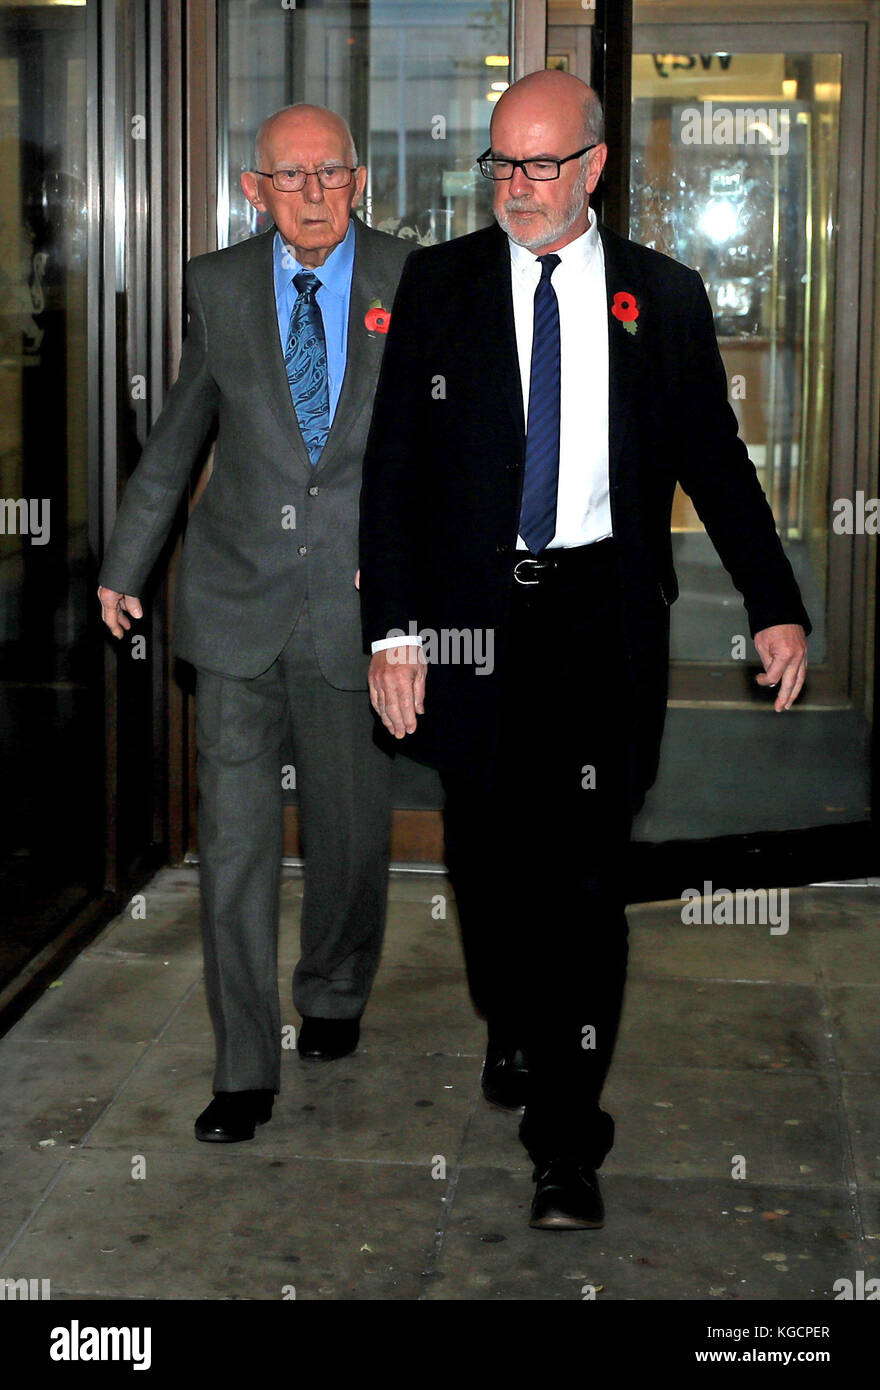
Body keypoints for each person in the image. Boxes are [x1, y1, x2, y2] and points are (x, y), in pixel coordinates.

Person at [359, 70, 810, 1230]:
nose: (515, 187)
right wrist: (395, 631)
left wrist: (774, 601)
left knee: (585, 885)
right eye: (499, 164)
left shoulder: (659, 297)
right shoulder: (439, 284)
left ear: (594, 166)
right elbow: (396, 475)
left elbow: (716, 461)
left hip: (596, 624)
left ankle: (567, 1136)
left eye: (539, 165)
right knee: (488, 862)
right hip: (470, 628)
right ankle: (511, 1012)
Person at [98, 103, 412, 1143]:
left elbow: (436, 453)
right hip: (234, 608)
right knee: (233, 845)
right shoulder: (219, 287)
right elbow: (183, 428)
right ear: (255, 189)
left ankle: (331, 987)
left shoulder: (411, 280)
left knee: (351, 835)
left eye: (332, 174)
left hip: (357, 612)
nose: (314, 193)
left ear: (359, 183)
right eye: (292, 176)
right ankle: (242, 1065)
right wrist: (126, 561)